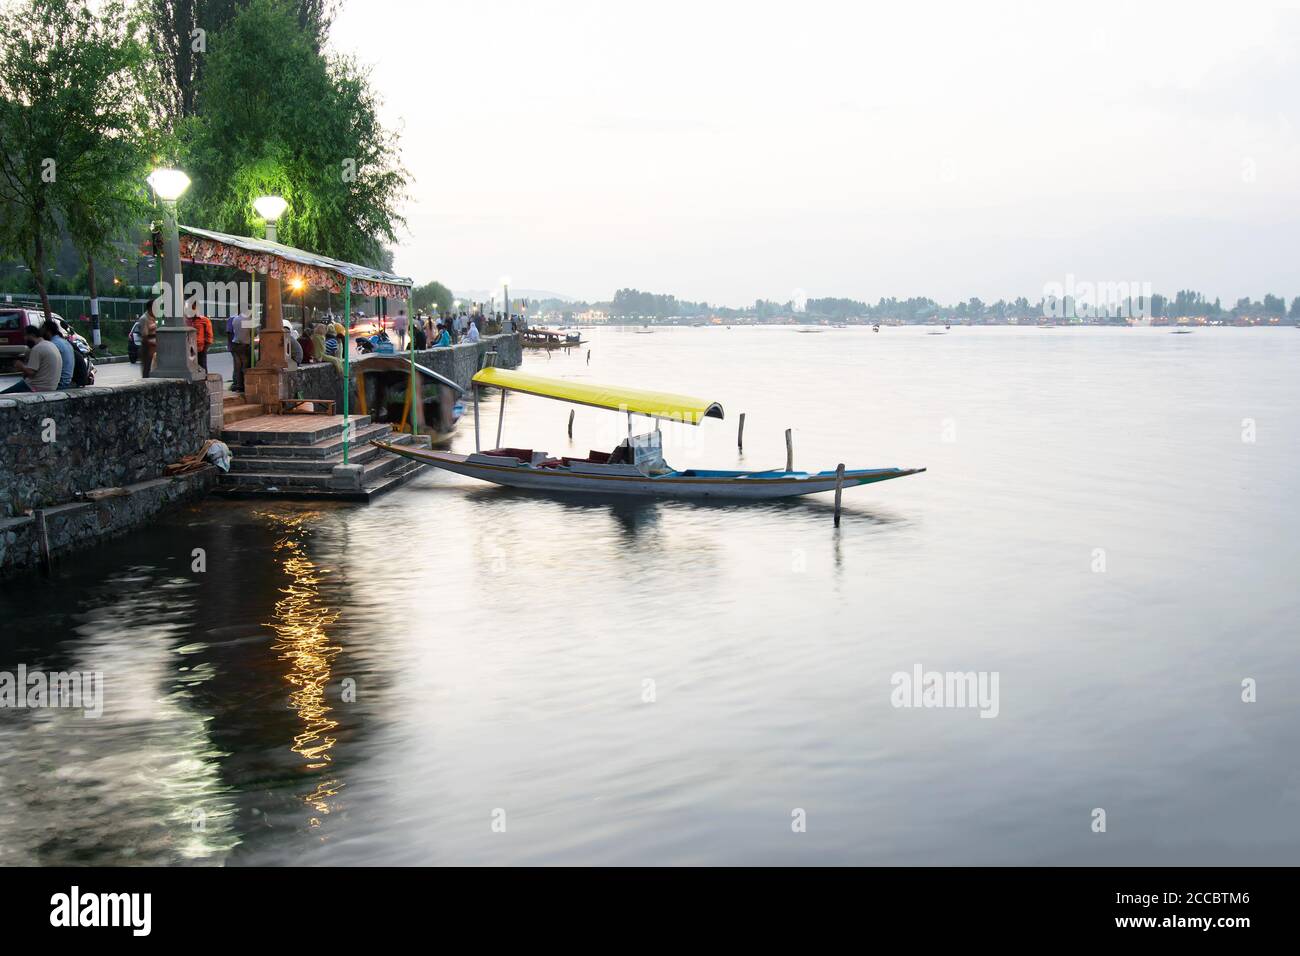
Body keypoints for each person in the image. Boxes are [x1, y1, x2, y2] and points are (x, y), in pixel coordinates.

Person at [2, 325, 62, 393]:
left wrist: (21, 366)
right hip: (51, 386)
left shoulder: (37, 348)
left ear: (32, 335)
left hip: (36, 386)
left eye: (26, 336)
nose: (24, 338)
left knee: (2, 395)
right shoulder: (51, 345)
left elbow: (31, 372)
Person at [45, 322, 75, 389]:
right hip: (67, 381)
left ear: (47, 331)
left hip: (59, 383)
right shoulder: (65, 342)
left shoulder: (53, 344)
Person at [186, 304, 213, 371]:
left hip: (200, 349)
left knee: (202, 366)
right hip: (188, 349)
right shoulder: (187, 320)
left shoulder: (205, 320)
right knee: (190, 368)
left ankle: (204, 380)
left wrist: (205, 349)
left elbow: (209, 336)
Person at [228, 311, 250, 391]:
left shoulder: (235, 319)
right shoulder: (248, 320)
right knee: (245, 365)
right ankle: (245, 385)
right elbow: (254, 333)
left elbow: (233, 332)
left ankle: (238, 385)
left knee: (237, 366)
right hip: (244, 345)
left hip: (235, 344)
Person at [140, 307, 158, 378]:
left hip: (153, 345)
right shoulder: (144, 319)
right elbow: (144, 335)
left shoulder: (152, 318)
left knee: (152, 366)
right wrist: (151, 345)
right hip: (148, 346)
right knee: (147, 366)